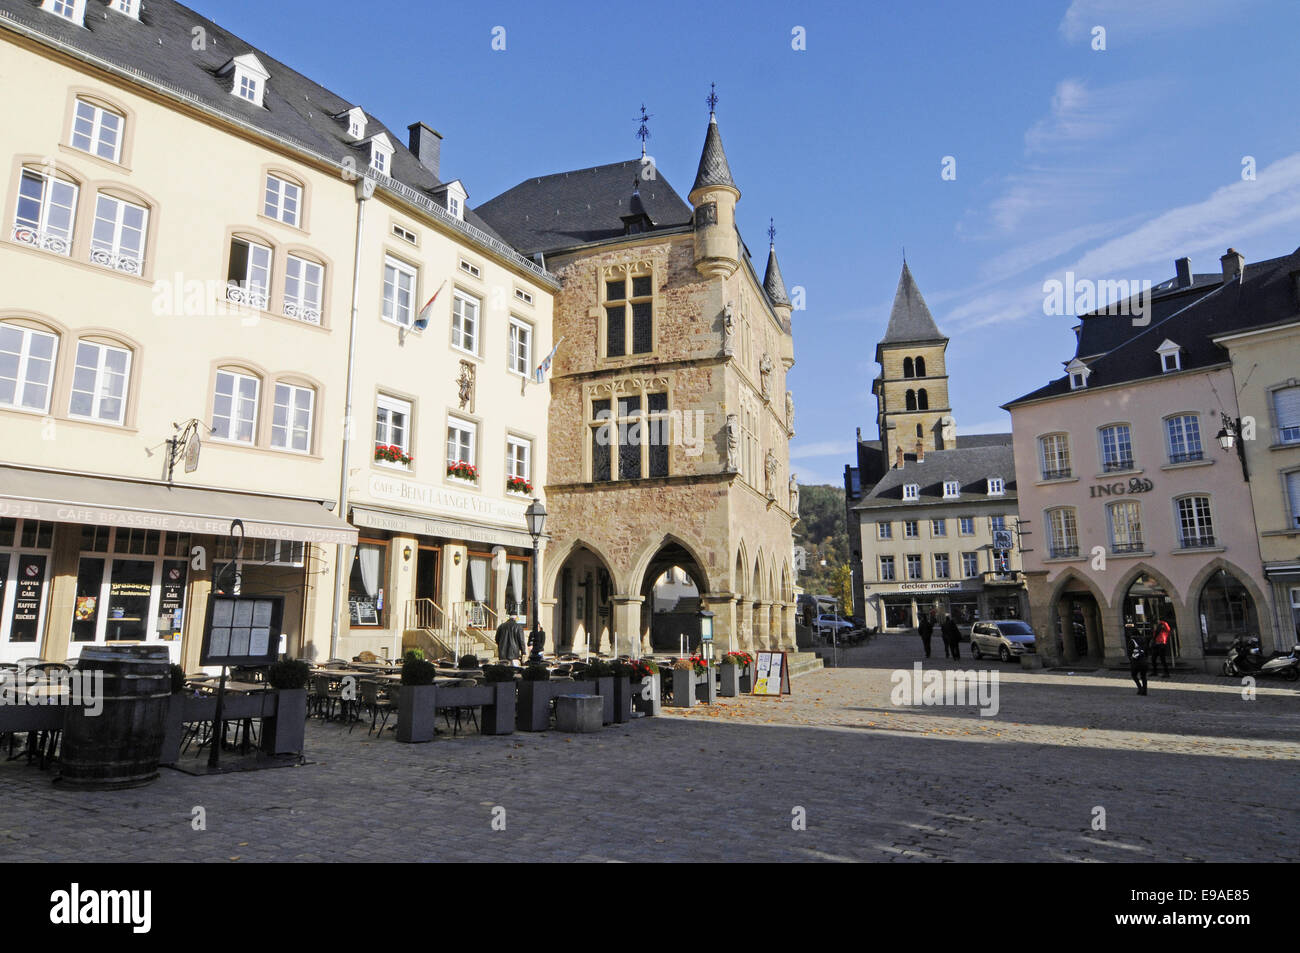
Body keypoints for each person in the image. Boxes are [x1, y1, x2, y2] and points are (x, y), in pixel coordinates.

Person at [1126, 624, 1149, 696]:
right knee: (1143, 676)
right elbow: (1147, 650)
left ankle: (1140, 688)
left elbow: (1129, 652)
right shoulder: (1143, 639)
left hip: (1135, 661)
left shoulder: (1131, 641)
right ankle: (1145, 691)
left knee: (1134, 675)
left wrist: (1131, 660)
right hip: (1143, 660)